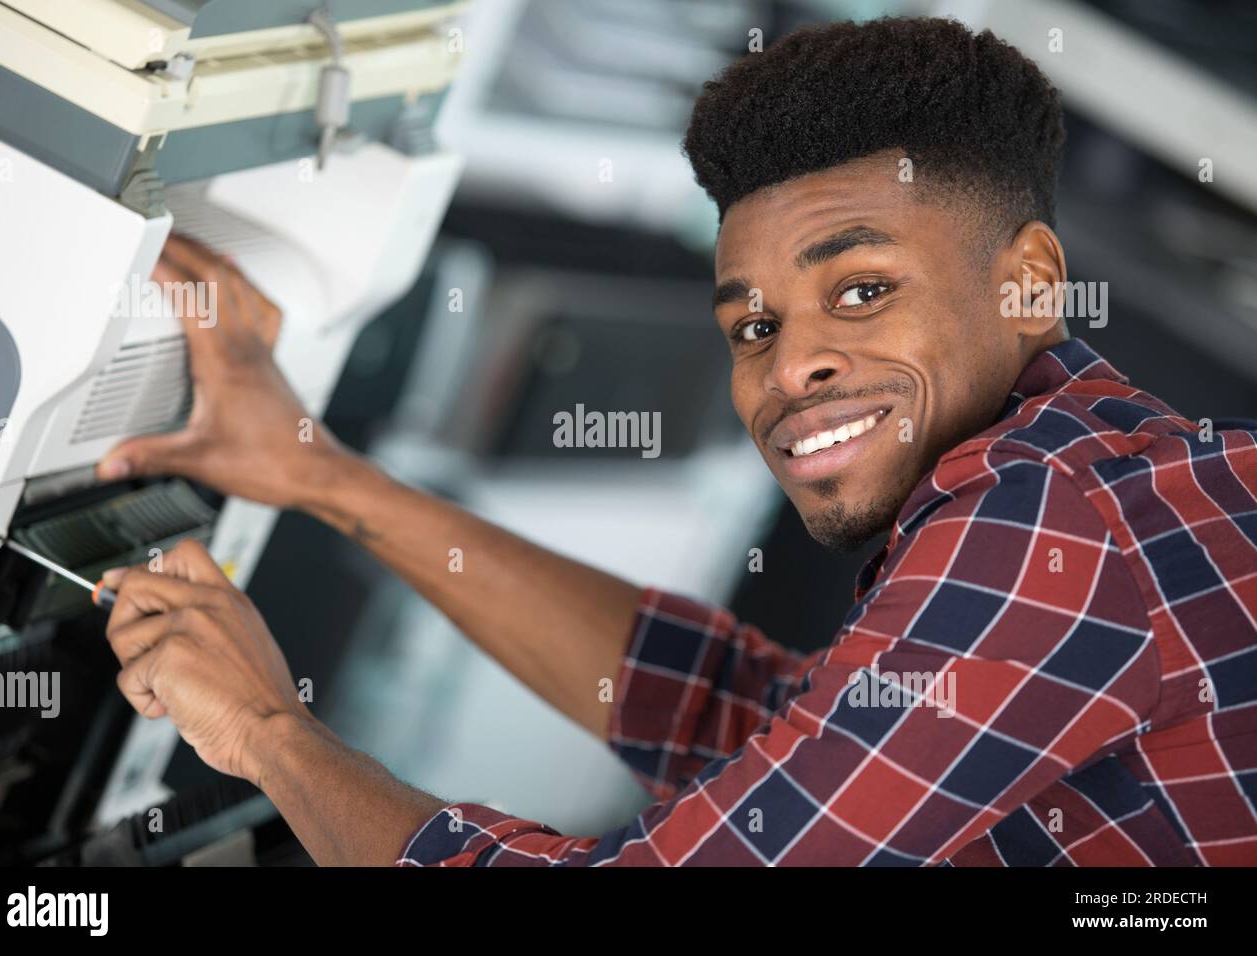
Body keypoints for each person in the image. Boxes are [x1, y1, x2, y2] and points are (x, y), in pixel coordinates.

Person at [94, 17, 1257, 866]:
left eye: (858, 290)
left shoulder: (1045, 528)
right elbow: (729, 722)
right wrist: (314, 471)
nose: (786, 369)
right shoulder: (1099, 479)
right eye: (753, 322)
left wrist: (263, 730)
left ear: (1029, 282)